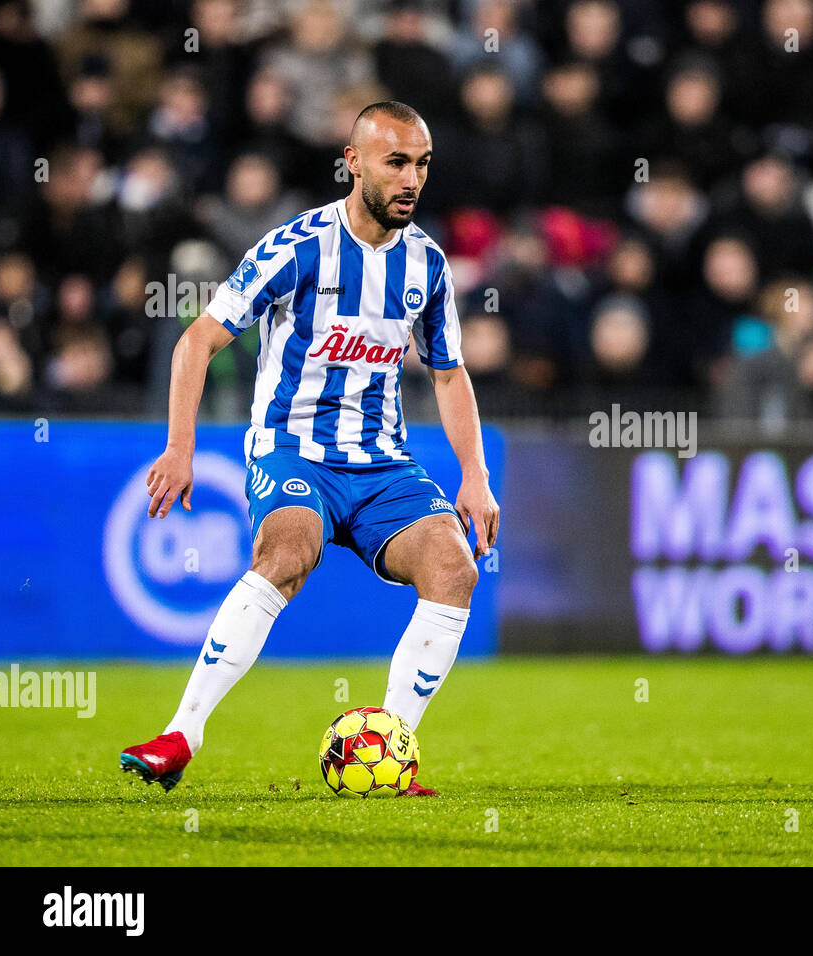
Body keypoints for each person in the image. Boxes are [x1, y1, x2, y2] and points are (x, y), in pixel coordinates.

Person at [119, 101, 499, 796]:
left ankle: (390, 749)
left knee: (454, 569)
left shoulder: (428, 265)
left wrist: (475, 474)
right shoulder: (297, 247)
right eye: (396, 162)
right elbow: (199, 339)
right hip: (293, 452)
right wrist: (180, 447)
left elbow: (447, 372)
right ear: (353, 163)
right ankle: (181, 735)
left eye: (422, 164)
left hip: (381, 463)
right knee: (289, 552)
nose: (412, 178)